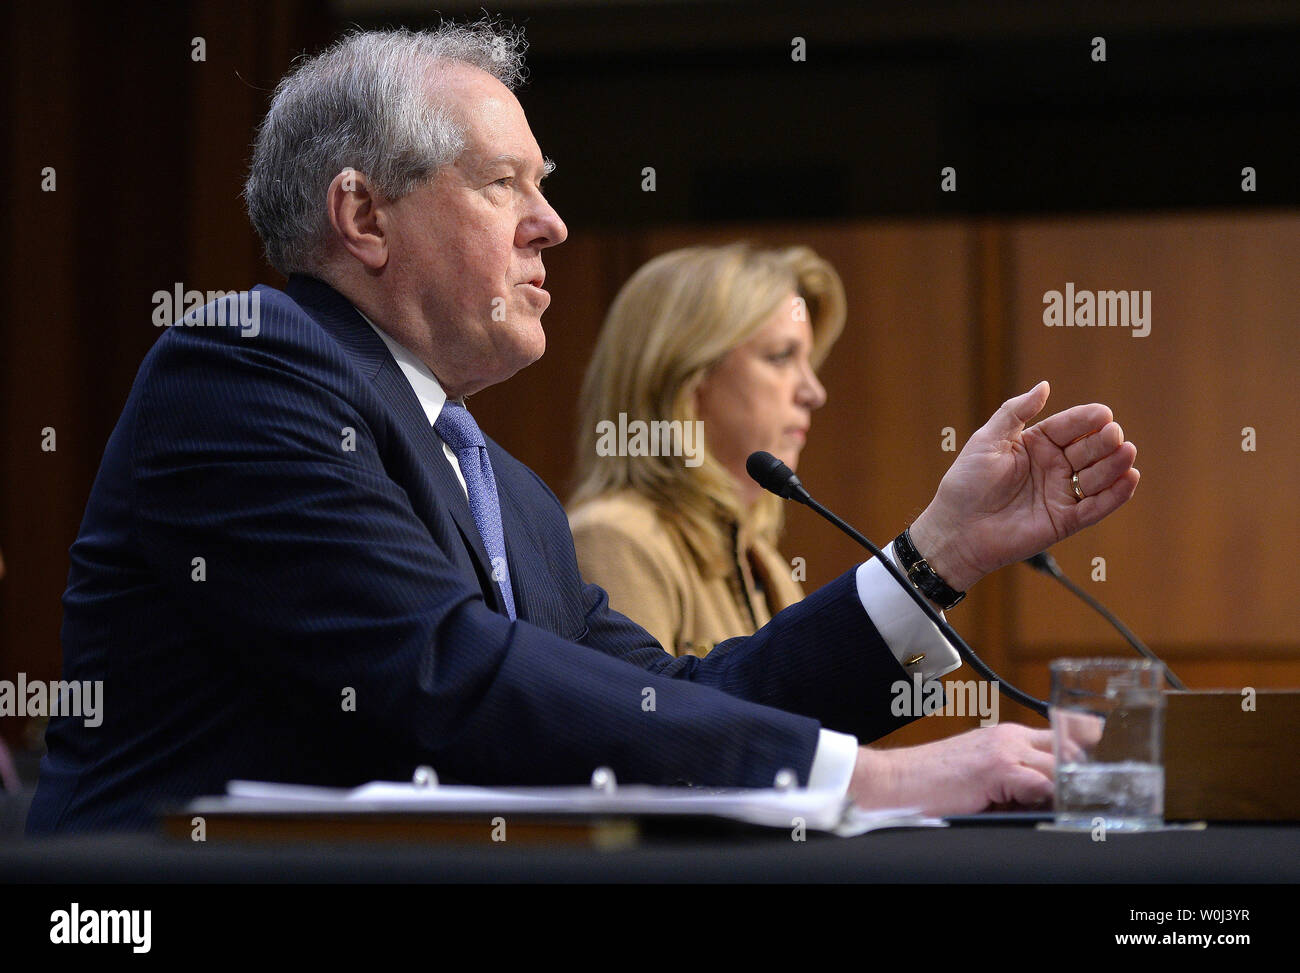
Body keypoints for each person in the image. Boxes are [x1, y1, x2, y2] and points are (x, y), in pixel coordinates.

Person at [27, 23, 1139, 833]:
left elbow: (683, 701)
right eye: (504, 183)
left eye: (542, 187)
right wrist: (869, 780)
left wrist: (936, 556)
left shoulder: (504, 490)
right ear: (363, 216)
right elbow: (444, 673)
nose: (552, 225)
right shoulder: (242, 371)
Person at [570, 243, 844, 657]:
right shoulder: (616, 540)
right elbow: (642, 719)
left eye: (809, 361)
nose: (814, 392)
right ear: (686, 378)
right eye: (782, 357)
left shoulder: (762, 560)